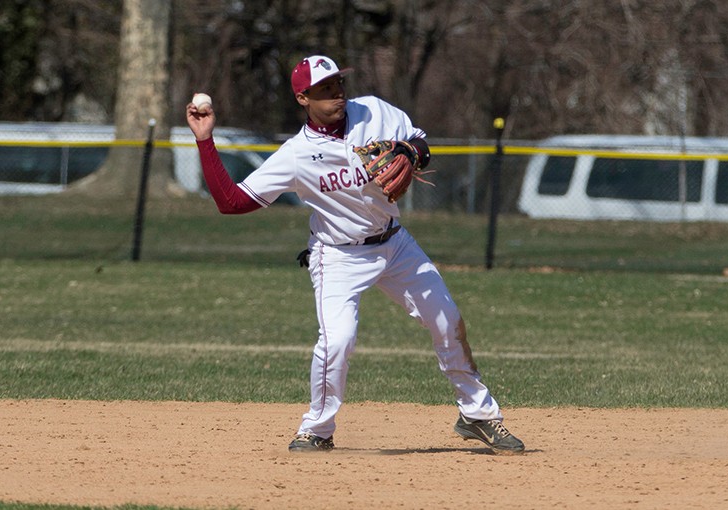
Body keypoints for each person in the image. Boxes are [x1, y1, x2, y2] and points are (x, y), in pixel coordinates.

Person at [185, 55, 524, 455]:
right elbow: (230, 201)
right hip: (337, 254)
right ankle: (317, 428)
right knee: (337, 341)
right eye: (325, 89)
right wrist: (205, 140)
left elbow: (420, 144)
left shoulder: (375, 111)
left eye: (338, 84)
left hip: (395, 243)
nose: (337, 94)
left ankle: (478, 415)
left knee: (447, 321)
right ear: (302, 98)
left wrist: (412, 153)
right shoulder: (296, 154)